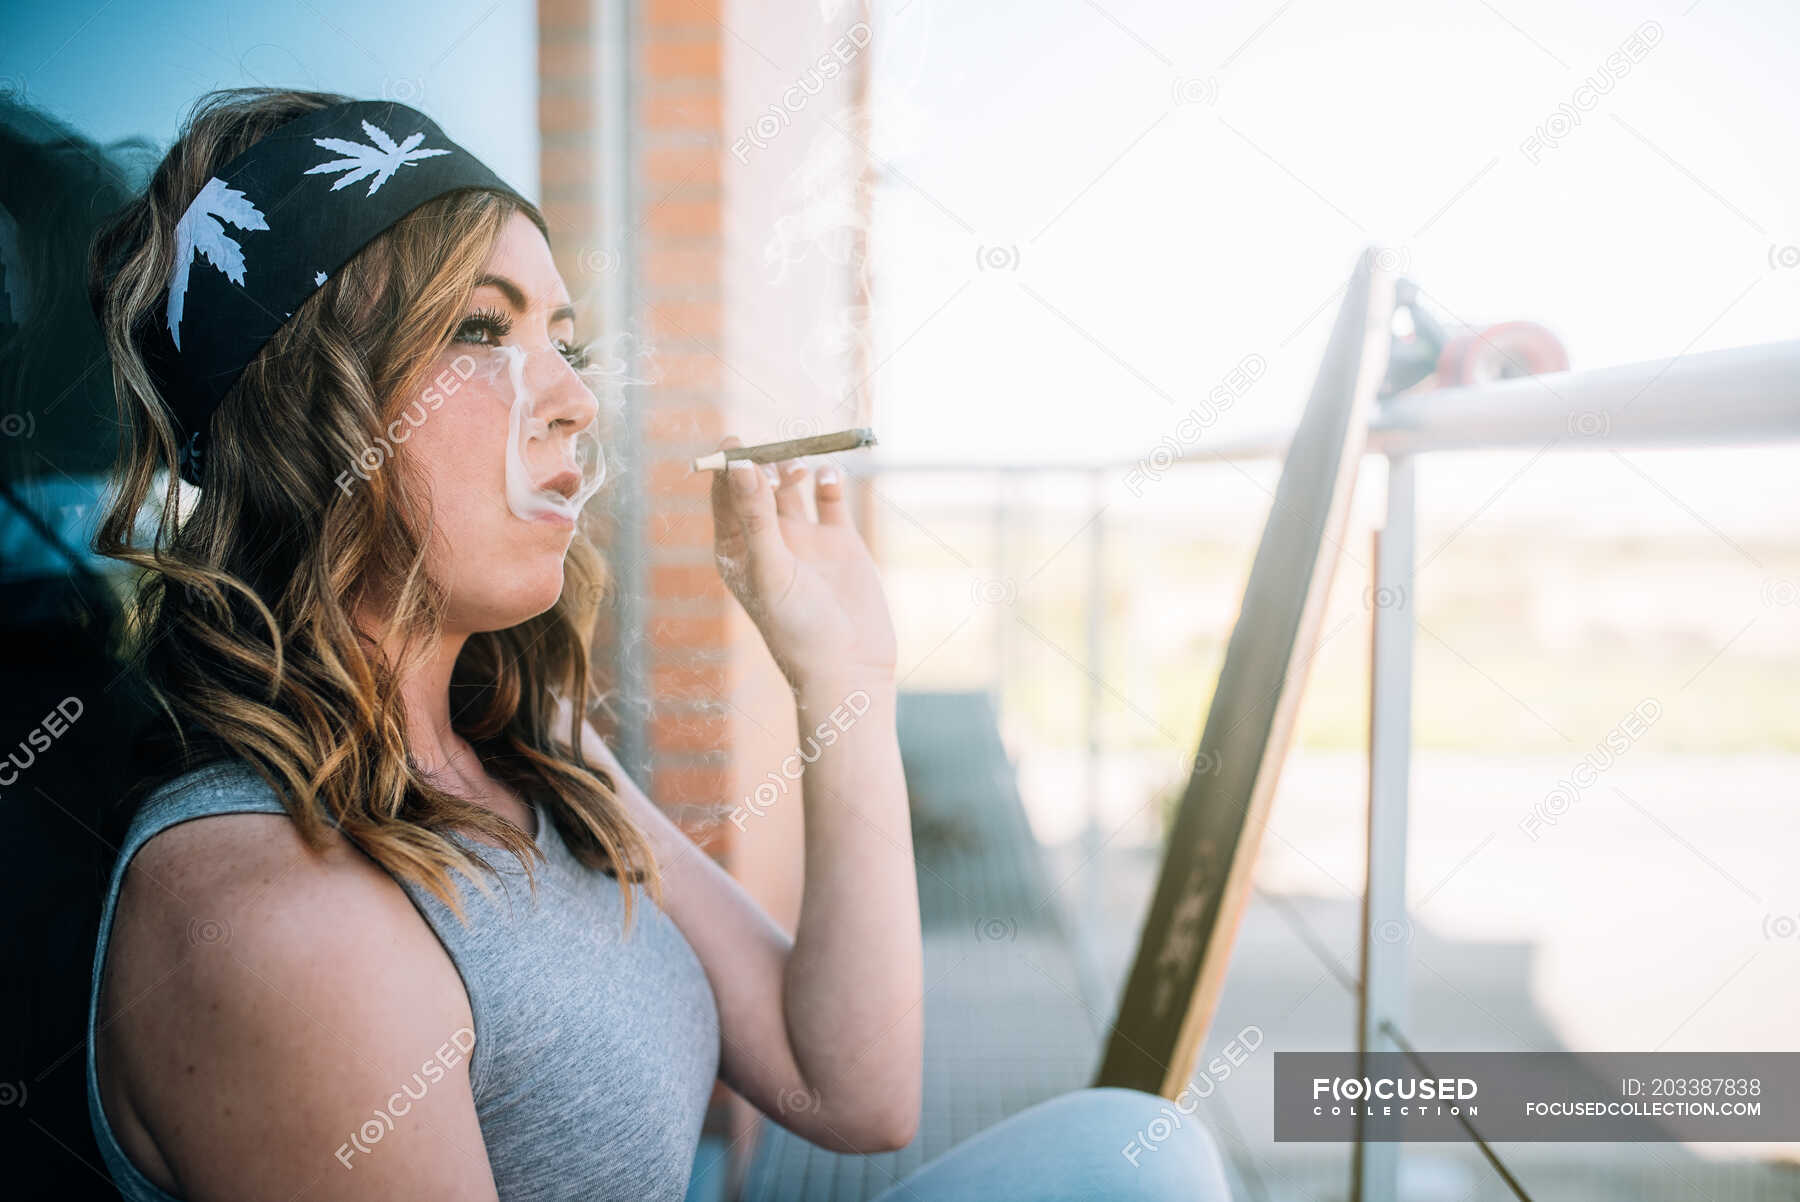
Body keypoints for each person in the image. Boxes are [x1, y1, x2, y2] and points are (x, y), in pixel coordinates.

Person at [83, 87, 1230, 1201]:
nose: (575, 397)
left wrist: (844, 677)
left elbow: (847, 1085)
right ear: (301, 412)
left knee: (1133, 1148)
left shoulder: (523, 743)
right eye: (480, 329)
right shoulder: (275, 924)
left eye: (565, 339)